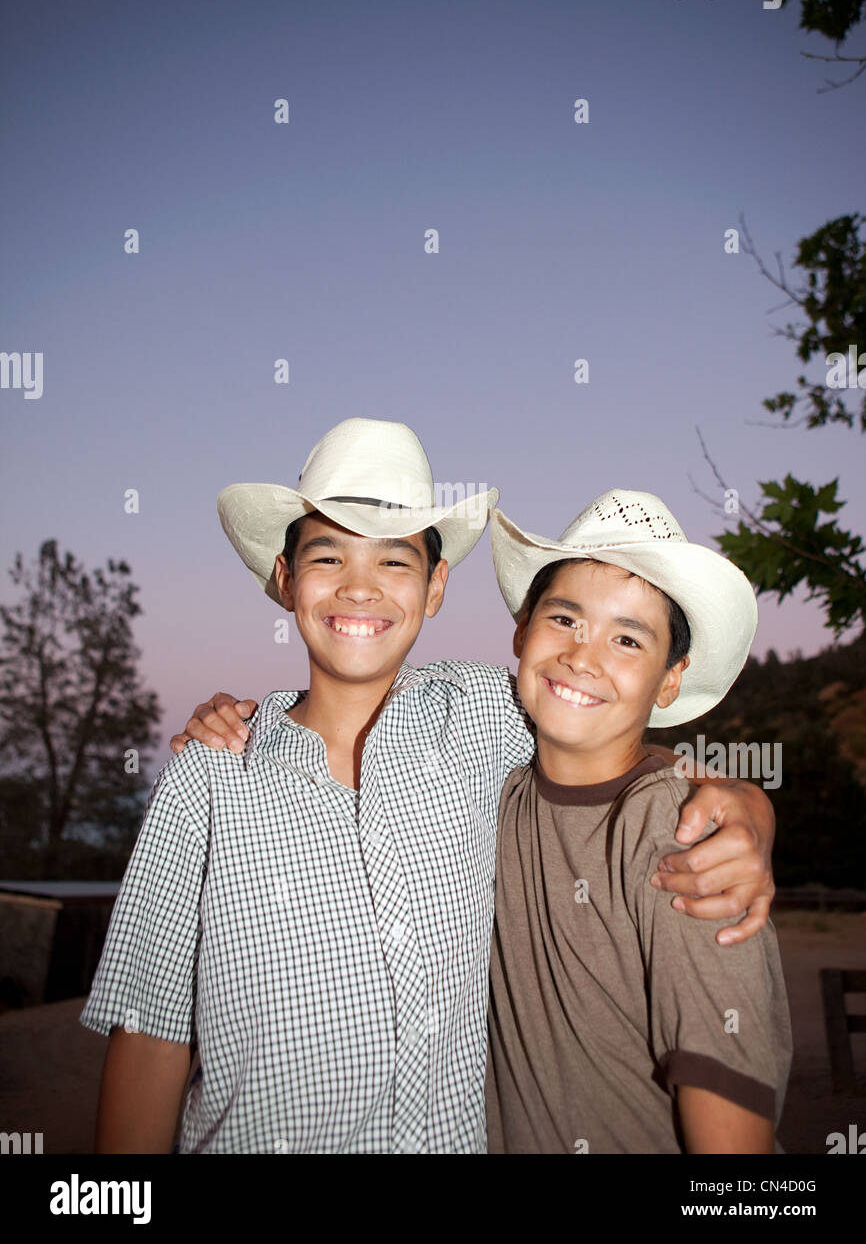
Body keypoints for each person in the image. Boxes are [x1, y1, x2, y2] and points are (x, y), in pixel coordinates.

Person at [87, 419, 775, 1153]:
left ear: (436, 586)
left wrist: (749, 806)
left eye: (394, 562)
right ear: (285, 579)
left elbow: (608, 734)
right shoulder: (209, 775)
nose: (360, 587)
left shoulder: (486, 714)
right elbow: (151, 1032)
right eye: (328, 556)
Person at [484, 491, 792, 1153]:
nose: (583, 656)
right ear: (522, 629)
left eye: (627, 638)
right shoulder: (490, 793)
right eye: (565, 618)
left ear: (670, 681)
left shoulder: (682, 835)